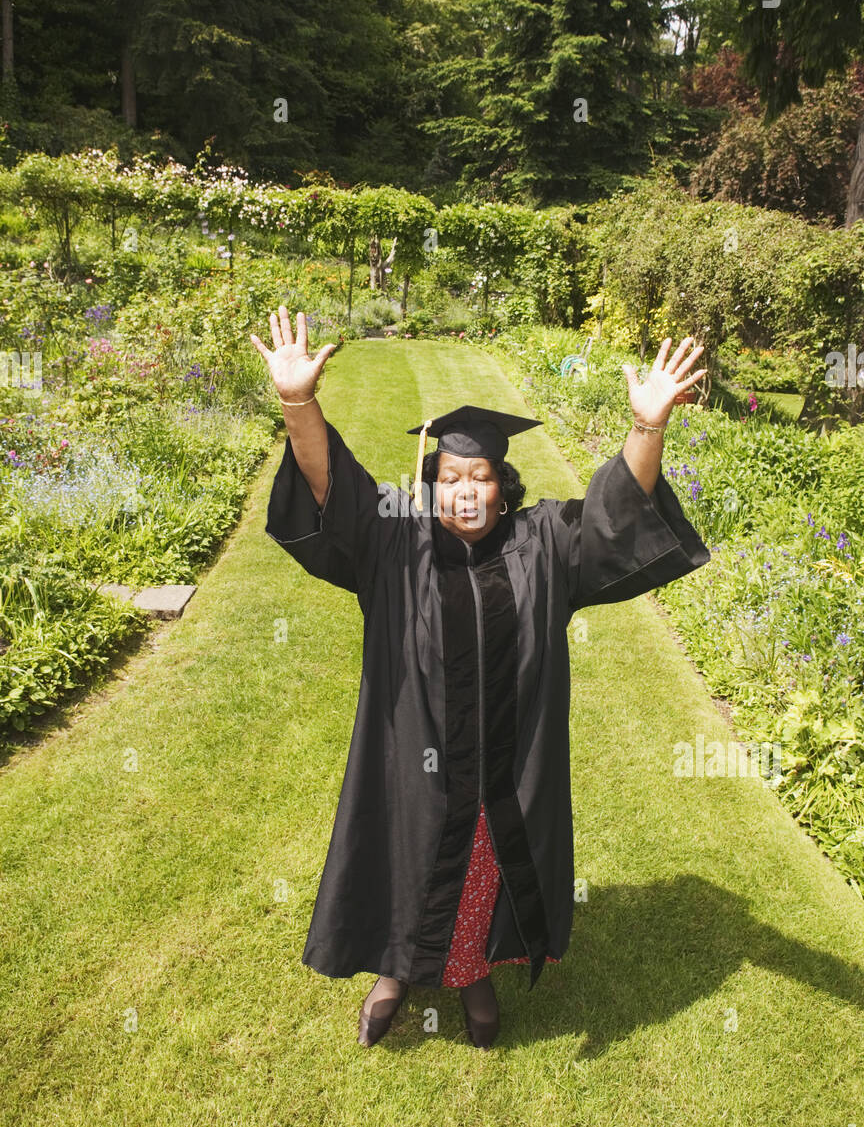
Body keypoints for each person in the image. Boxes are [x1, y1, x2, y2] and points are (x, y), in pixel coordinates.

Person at [250, 308, 710, 1051]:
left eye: (481, 476)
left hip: (505, 754)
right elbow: (329, 486)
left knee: (485, 860)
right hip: (413, 754)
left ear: (502, 485)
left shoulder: (543, 543)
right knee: (404, 850)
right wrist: (299, 404)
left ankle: (473, 971)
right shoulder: (394, 541)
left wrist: (647, 427)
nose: (465, 491)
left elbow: (613, 517)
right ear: (429, 483)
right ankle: (396, 973)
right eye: (451, 477)